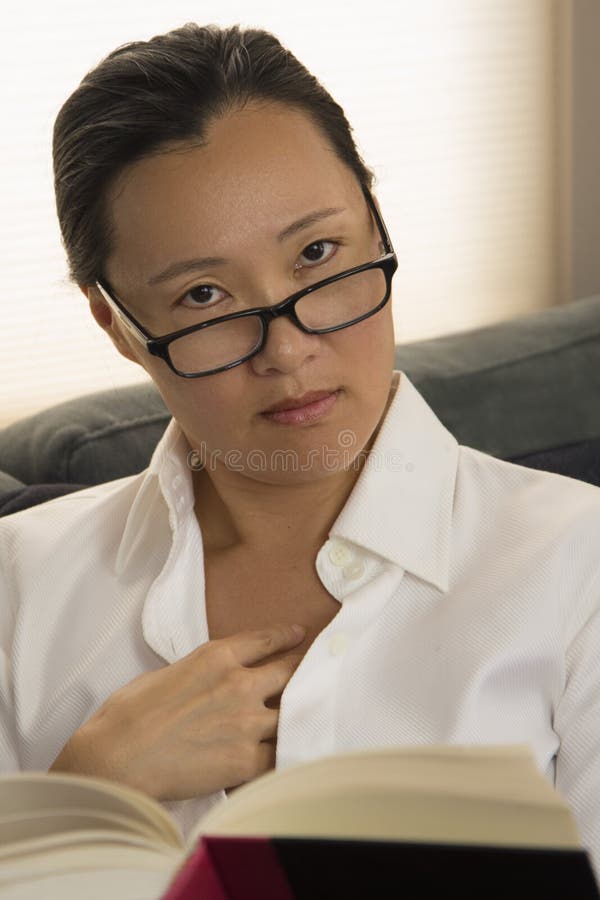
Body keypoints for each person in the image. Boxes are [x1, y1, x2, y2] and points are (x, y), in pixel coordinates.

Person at [1, 21, 600, 871]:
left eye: (318, 254)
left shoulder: (579, 563)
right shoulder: (16, 587)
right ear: (119, 326)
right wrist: (88, 792)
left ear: (376, 222)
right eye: (205, 296)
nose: (289, 349)